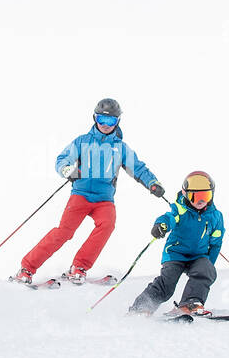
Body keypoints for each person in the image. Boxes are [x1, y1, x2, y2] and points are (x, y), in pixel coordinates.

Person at [14, 98, 165, 285]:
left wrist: (152, 183)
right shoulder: (82, 142)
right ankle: (27, 268)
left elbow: (139, 168)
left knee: (107, 225)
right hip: (81, 195)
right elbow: (62, 159)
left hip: (104, 199)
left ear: (118, 121)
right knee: (64, 232)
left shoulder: (120, 148)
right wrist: (68, 170)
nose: (106, 125)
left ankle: (79, 267)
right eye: (102, 120)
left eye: (111, 121)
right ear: (94, 118)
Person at [129, 171, 225, 315]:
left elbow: (216, 243)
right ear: (186, 195)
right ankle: (141, 308)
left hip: (198, 256)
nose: (200, 201)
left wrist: (208, 264)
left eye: (205, 196)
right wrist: (161, 226)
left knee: (205, 271)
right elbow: (168, 218)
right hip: (175, 254)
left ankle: (190, 304)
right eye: (195, 196)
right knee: (167, 283)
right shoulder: (180, 210)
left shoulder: (215, 217)